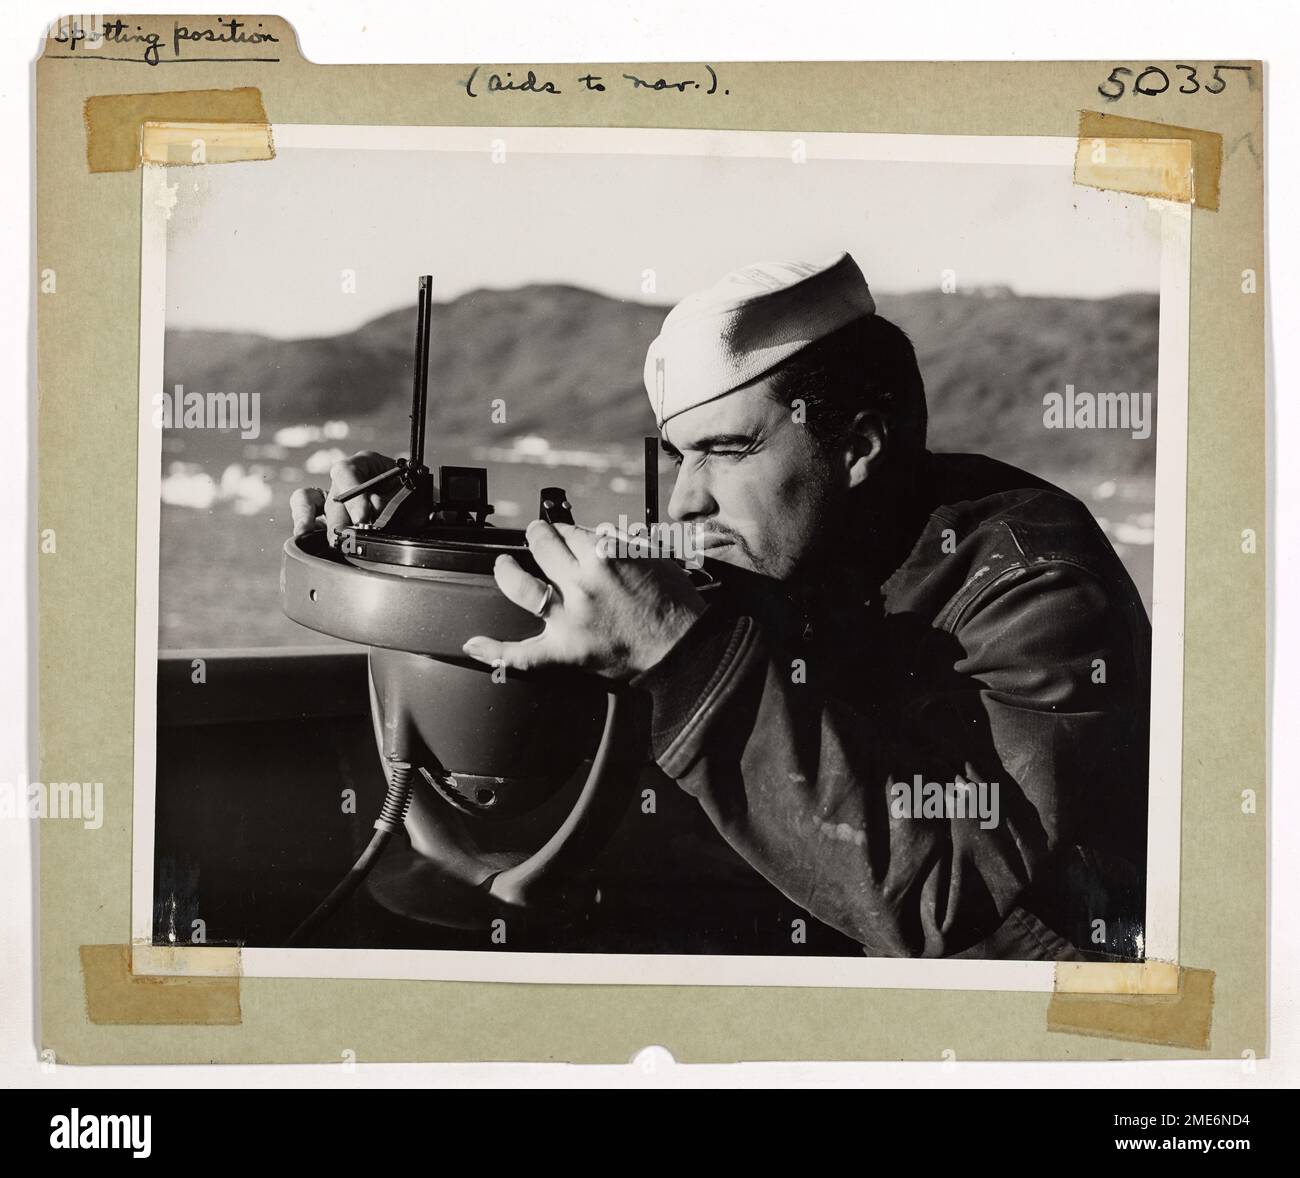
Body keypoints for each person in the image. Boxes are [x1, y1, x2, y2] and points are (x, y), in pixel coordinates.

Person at [291, 252, 1150, 960]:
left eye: (726, 452)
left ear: (856, 445)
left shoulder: (1034, 588)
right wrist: (396, 540)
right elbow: (596, 591)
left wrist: (681, 654)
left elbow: (951, 905)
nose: (682, 503)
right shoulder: (780, 547)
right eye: (676, 457)